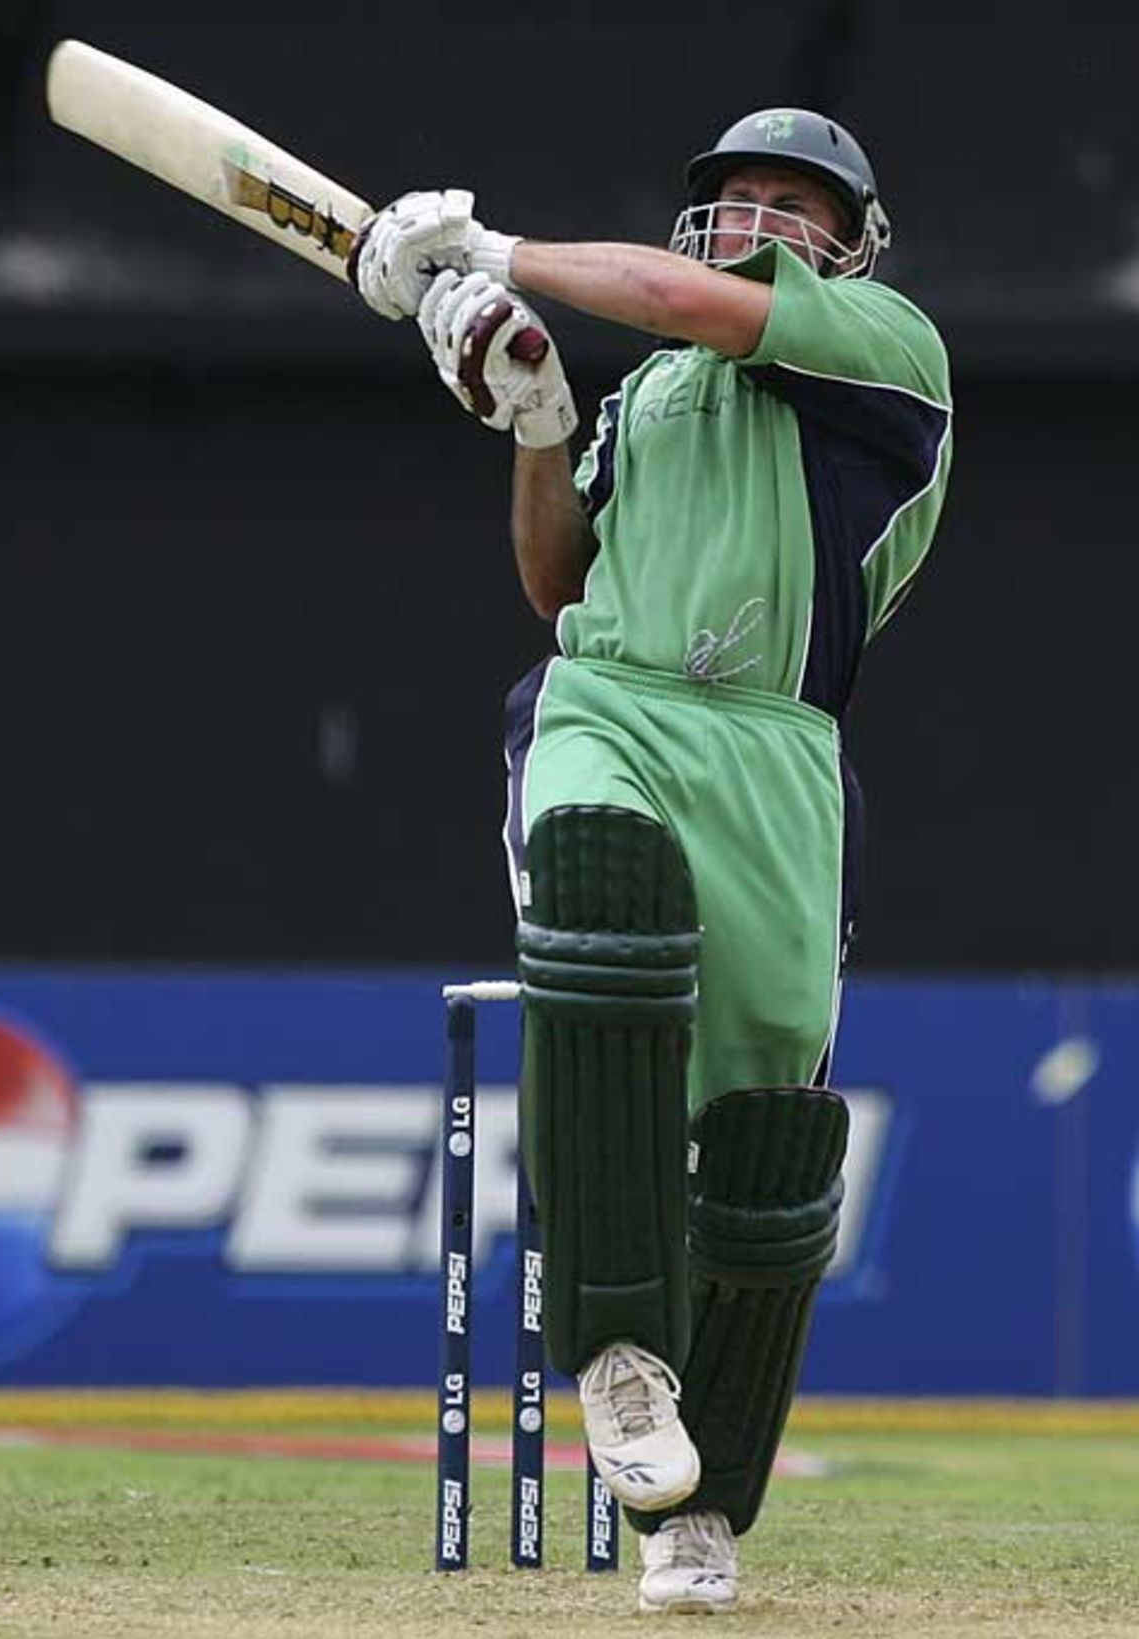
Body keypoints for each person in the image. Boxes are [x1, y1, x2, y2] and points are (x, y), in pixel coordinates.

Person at [350, 108, 952, 1615]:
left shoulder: (886, 355)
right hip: (608, 696)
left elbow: (688, 301)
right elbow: (558, 580)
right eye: (736, 197)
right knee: (601, 902)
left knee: (765, 1147)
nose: (756, 220)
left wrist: (489, 254)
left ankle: (705, 1518)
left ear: (851, 241)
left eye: (792, 205)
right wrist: (543, 426)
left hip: (777, 745)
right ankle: (619, 1360)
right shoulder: (650, 402)